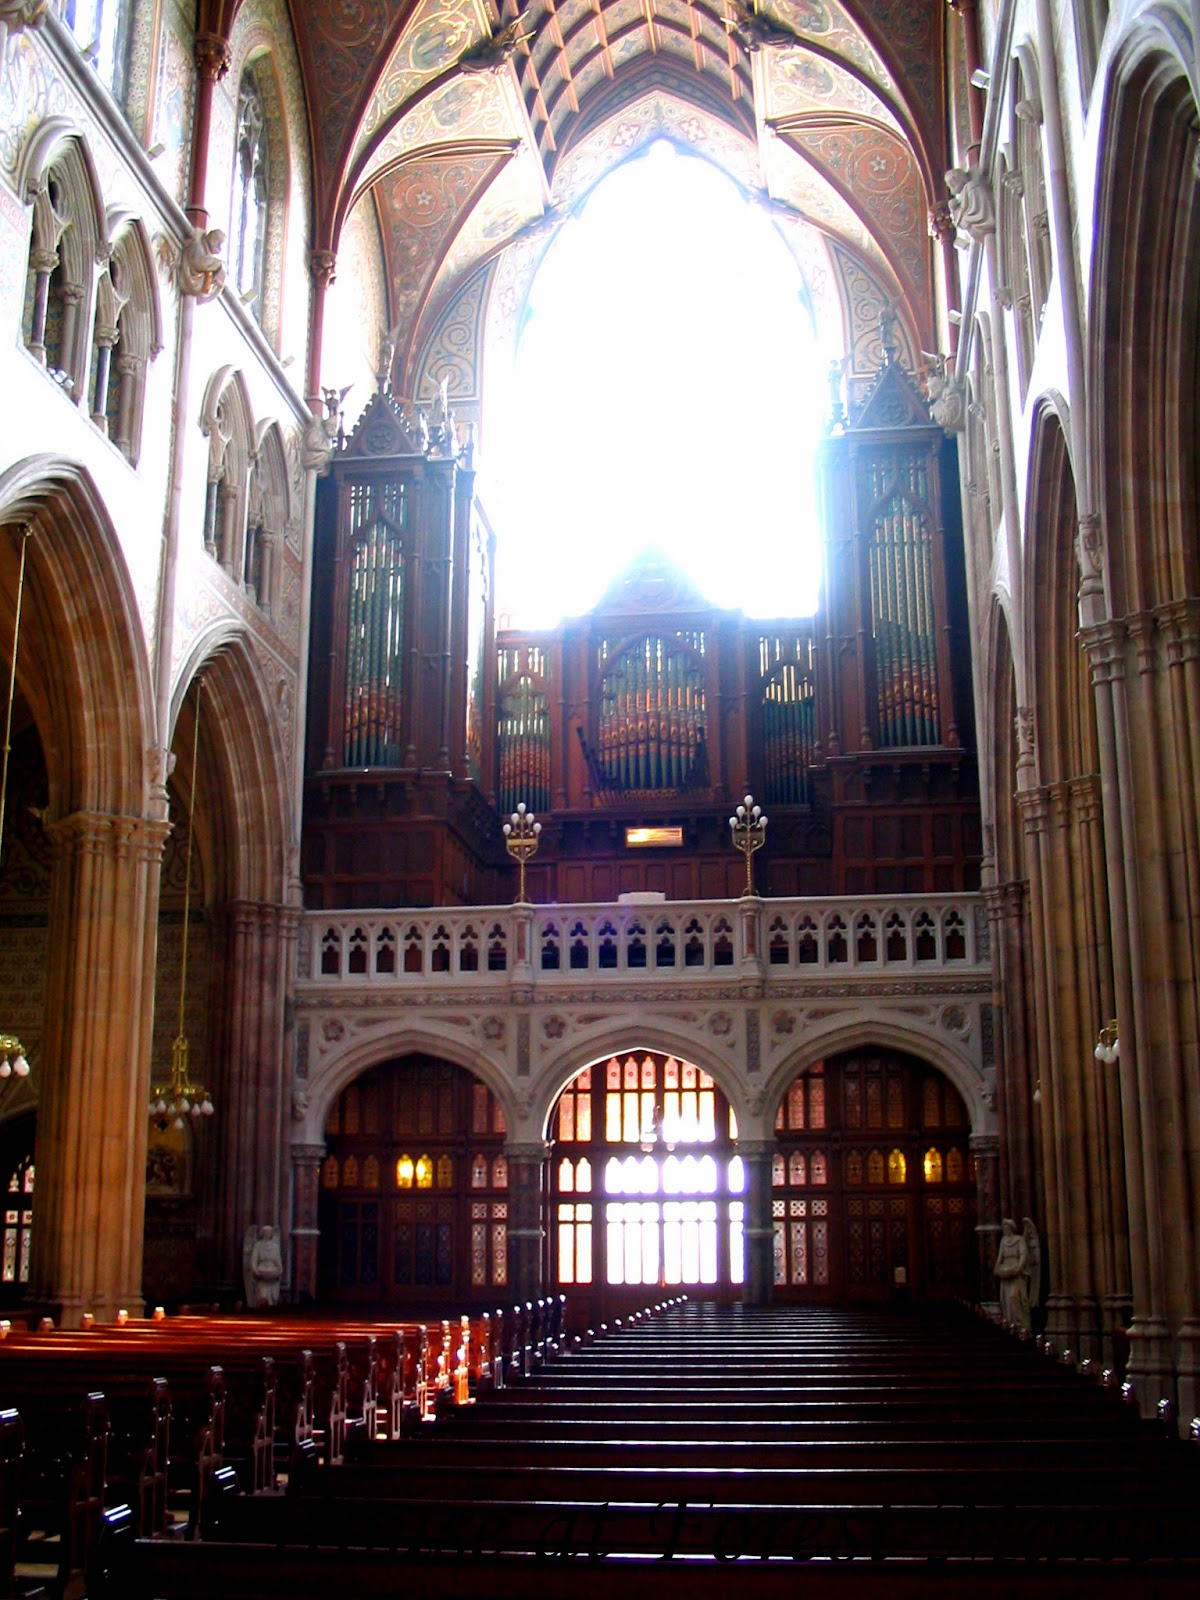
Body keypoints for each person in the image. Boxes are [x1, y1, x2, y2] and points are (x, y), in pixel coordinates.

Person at [994, 1217, 1031, 1331]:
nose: (1005, 1229)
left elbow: (1023, 1255)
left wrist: (1019, 1267)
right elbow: (1000, 1257)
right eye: (1004, 1227)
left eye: (1007, 1227)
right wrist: (997, 1268)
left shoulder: (1019, 1239)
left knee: (1014, 1297)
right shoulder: (1003, 1241)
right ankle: (1010, 1323)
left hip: (1015, 1271)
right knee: (1005, 1299)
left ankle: (1021, 1325)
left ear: (1011, 1228)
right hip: (1006, 1270)